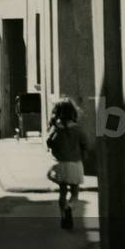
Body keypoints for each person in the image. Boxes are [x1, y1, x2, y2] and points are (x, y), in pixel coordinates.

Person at [46, 96, 87, 229]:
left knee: (62, 192)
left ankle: (63, 216)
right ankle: (70, 206)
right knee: (75, 192)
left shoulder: (56, 129)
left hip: (61, 164)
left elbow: (49, 143)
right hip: (75, 164)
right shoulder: (77, 129)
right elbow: (84, 144)